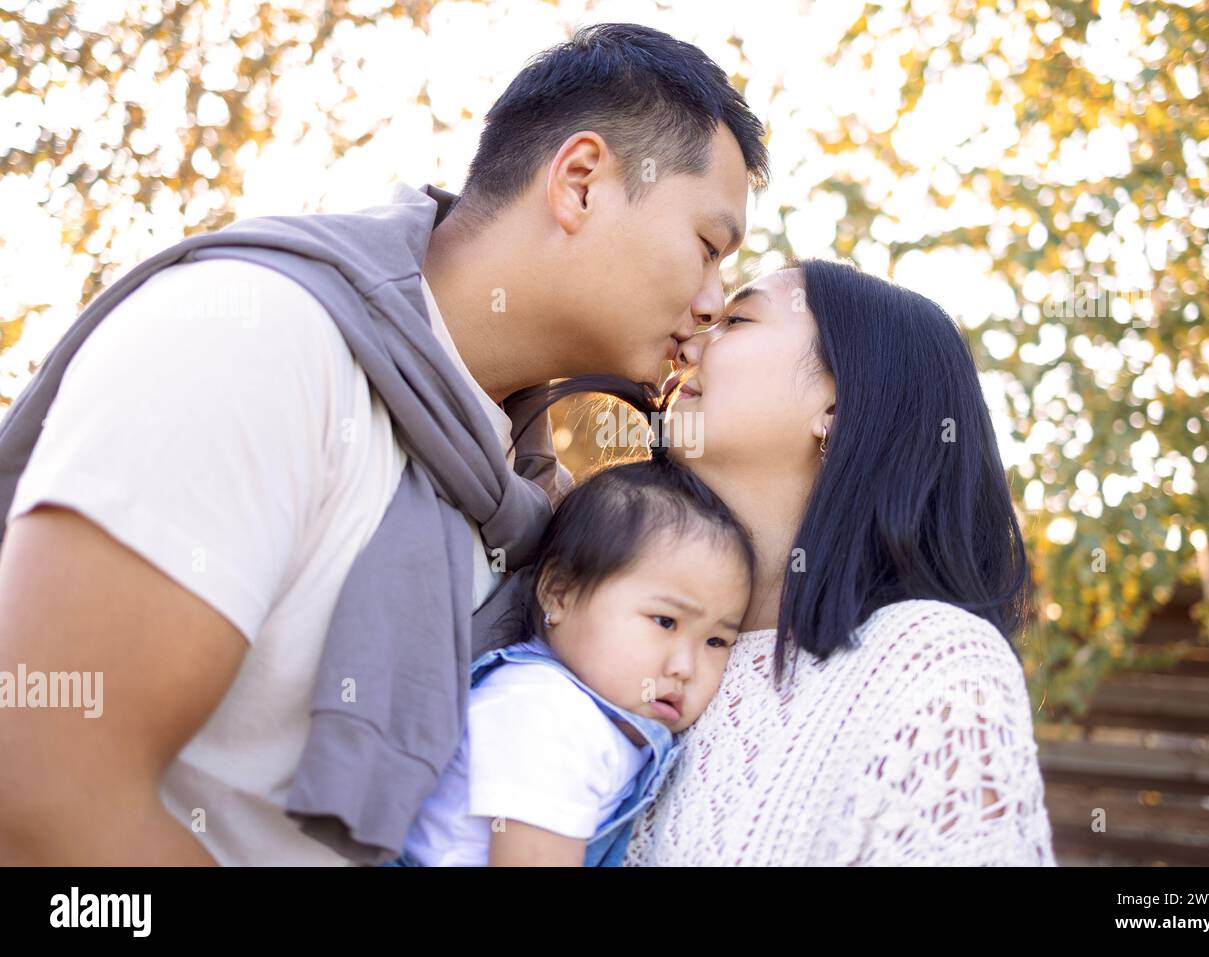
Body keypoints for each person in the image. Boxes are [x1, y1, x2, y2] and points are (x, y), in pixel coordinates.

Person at [0, 23, 769, 865]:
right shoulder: (260, 341)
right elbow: (44, 785)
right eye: (707, 247)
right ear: (580, 183)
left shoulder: (527, 495)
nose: (711, 302)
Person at [622, 259, 1057, 865]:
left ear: (841, 407)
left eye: (737, 320)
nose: (689, 342)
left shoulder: (929, 667)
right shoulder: (634, 630)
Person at [390, 384, 754, 867]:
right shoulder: (548, 713)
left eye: (716, 640)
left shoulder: (595, 713)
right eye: (664, 620)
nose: (685, 666)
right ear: (558, 593)